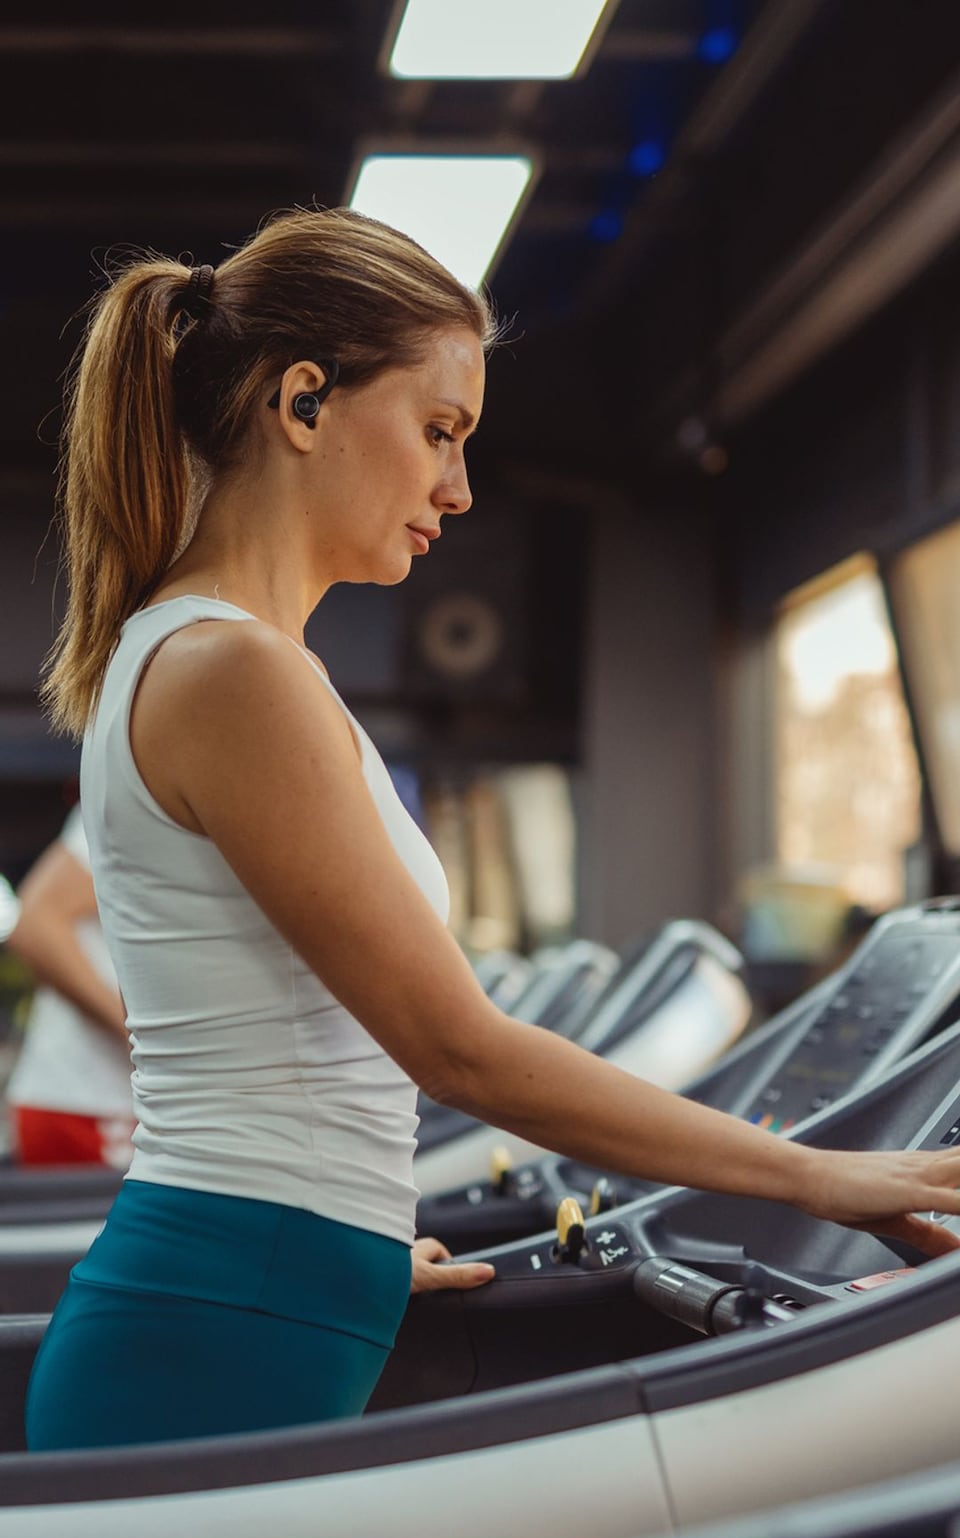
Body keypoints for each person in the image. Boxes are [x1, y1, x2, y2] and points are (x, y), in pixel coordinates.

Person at [25, 207, 960, 1453]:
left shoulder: (208, 661)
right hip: (219, 1329)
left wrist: (347, 1241)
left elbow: (281, 1060)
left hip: (258, 1289)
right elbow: (457, 1049)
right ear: (303, 402)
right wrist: (824, 1175)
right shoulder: (232, 674)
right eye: (438, 431)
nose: (457, 489)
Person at [4, 806, 135, 1167]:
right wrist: (138, 1035)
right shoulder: (134, 781)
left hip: (120, 1101)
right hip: (91, 1101)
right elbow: (36, 924)